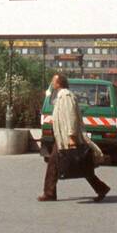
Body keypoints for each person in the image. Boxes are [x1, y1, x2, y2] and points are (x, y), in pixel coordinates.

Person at [39, 73, 110, 202]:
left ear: (59, 83)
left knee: (80, 164)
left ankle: (101, 188)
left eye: (53, 80)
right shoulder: (61, 96)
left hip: (67, 138)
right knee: (55, 164)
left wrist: (71, 137)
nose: (51, 83)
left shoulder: (66, 96)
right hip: (62, 138)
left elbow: (71, 117)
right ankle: (49, 193)